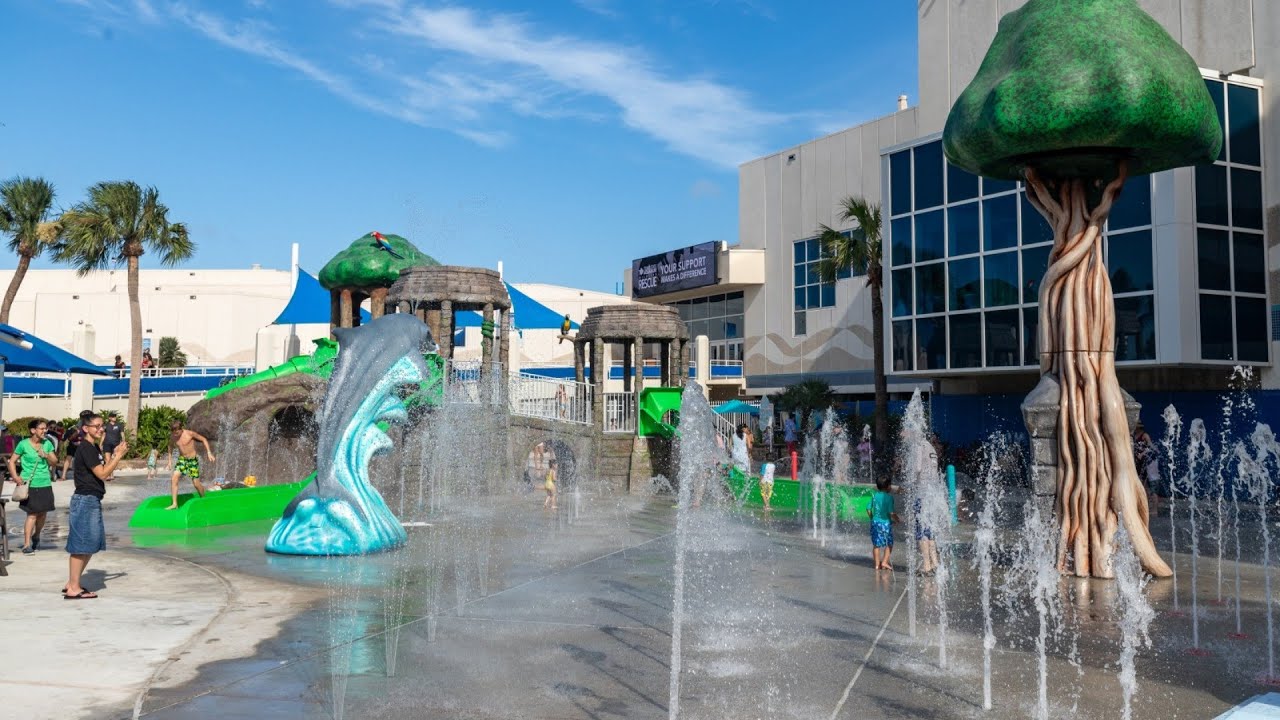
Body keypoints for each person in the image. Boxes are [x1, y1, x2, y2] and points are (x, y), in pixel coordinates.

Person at [65, 412, 127, 600]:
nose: (102, 429)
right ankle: (73, 588)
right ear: (86, 429)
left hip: (91, 499)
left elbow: (105, 473)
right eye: (97, 426)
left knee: (90, 544)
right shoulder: (87, 448)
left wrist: (115, 456)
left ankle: (72, 582)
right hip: (85, 500)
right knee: (81, 545)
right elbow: (102, 474)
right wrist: (118, 457)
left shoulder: (93, 448)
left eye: (102, 426)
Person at [7, 419, 60, 554]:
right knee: (32, 514)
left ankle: (36, 535)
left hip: (45, 483)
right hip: (29, 483)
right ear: (33, 430)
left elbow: (55, 462)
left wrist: (46, 455)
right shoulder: (23, 444)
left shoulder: (47, 443)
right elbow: (12, 461)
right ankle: (26, 544)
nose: (45, 431)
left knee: (42, 514)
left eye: (45, 428)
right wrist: (15, 476)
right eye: (42, 428)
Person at [166, 419, 216, 510]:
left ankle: (203, 498)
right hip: (182, 460)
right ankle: (174, 504)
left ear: (181, 429)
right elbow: (170, 446)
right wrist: (169, 461)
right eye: (173, 433)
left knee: (196, 484)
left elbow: (203, 439)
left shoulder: (190, 434)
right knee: (174, 478)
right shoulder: (173, 437)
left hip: (192, 460)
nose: (175, 435)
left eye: (177, 432)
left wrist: (209, 452)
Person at [868, 476, 898, 570]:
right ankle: (884, 562)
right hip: (885, 524)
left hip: (875, 523)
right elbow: (891, 512)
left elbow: (868, 509)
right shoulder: (889, 498)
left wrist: (872, 518)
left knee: (876, 545)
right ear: (888, 486)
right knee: (889, 544)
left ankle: (877, 565)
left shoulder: (874, 496)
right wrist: (897, 519)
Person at [1133, 422, 1158, 508]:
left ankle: (1154, 509)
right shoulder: (1133, 435)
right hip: (1139, 463)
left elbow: (1152, 447)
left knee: (1151, 486)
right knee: (1143, 485)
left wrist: (1142, 454)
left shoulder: (1145, 435)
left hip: (1148, 463)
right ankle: (1144, 505)